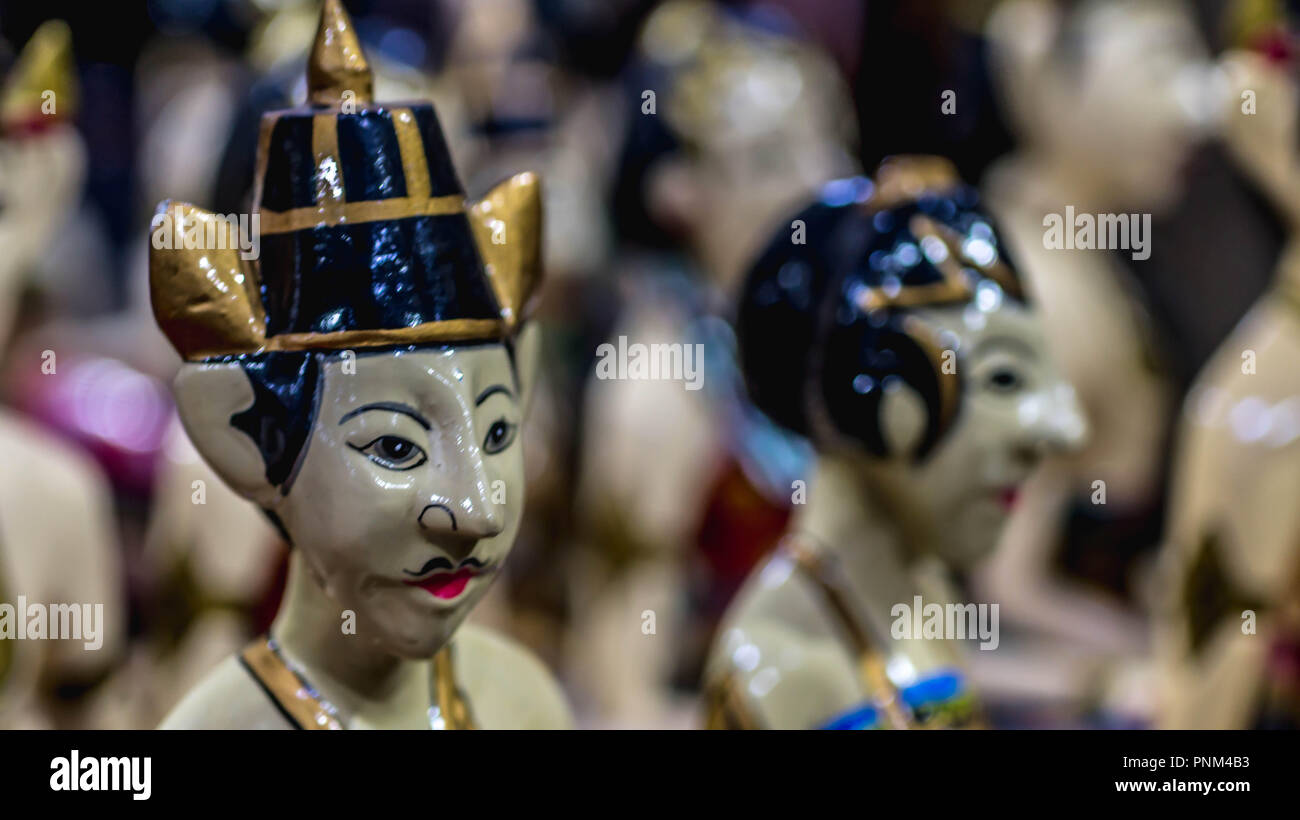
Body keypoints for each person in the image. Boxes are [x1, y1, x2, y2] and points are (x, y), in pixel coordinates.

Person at [154, 0, 569, 729]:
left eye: (498, 432)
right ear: (245, 439)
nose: (478, 509)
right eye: (394, 446)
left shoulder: (524, 703)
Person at [703, 156, 1085, 729]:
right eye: (1004, 378)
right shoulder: (776, 670)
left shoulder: (923, 590)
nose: (1064, 426)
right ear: (867, 391)